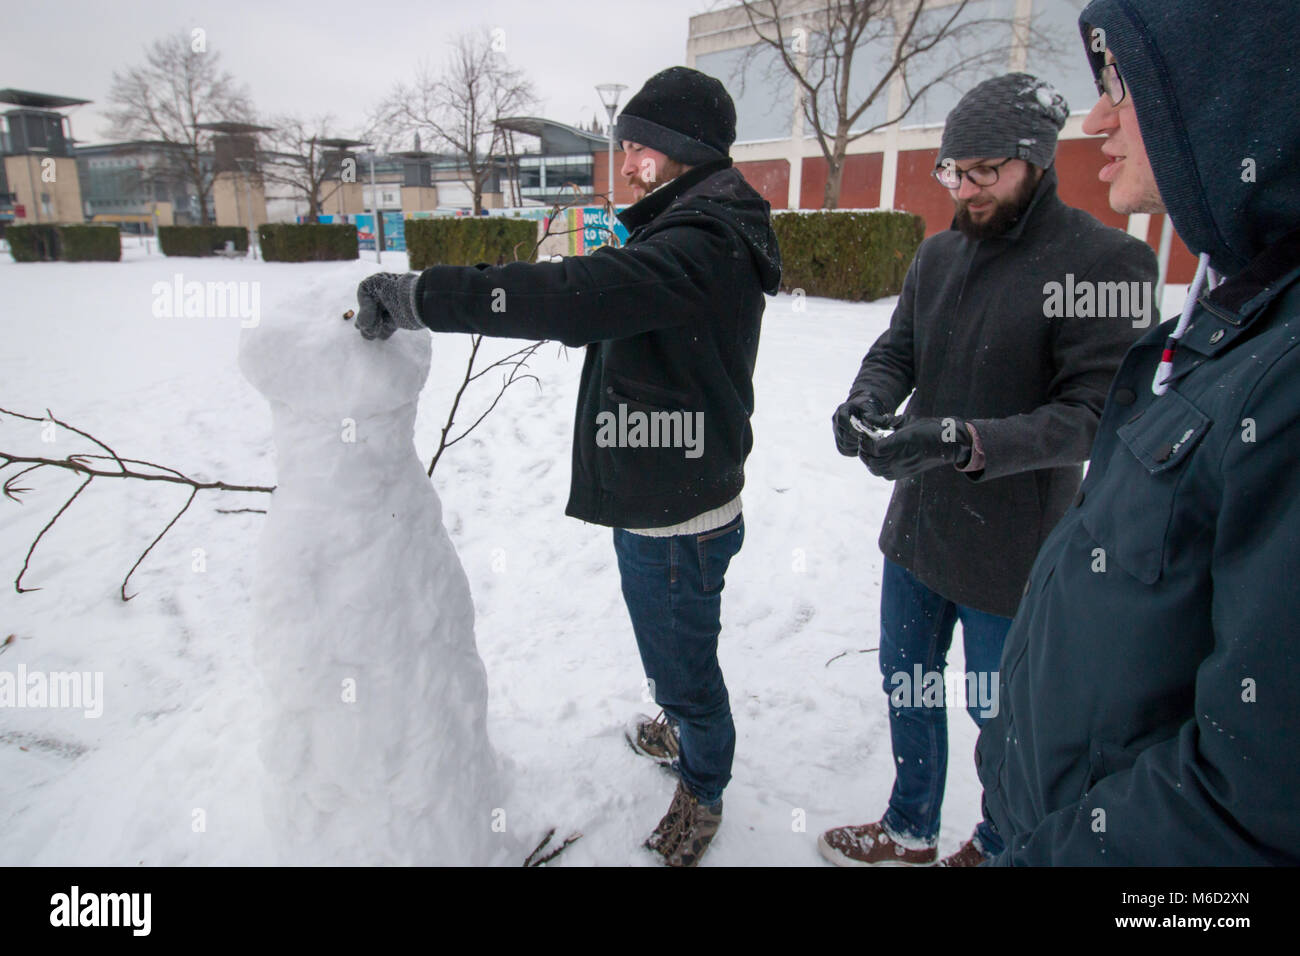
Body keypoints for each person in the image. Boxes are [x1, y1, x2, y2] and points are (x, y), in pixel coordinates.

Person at [351, 66, 781, 867]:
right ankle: (682, 721)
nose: (625, 165)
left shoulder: (703, 242)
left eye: (640, 150)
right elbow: (616, 299)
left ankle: (704, 783)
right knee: (671, 640)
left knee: (683, 658)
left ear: (682, 152)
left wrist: (423, 296)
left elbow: (576, 298)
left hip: (676, 512)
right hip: (665, 491)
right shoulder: (691, 229)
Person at [973, 0, 1300, 865]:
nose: (1099, 116)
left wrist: (970, 443)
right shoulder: (1227, 316)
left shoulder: (1278, 369)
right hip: (1043, 812)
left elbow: (1254, 814)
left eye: (1127, 81)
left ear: (1234, 89)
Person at [818, 73, 1158, 867]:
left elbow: (1095, 415)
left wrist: (962, 440)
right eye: (953, 171)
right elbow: (898, 348)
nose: (965, 188)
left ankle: (1005, 844)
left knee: (1001, 717)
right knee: (909, 687)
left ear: (1035, 161)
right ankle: (909, 829)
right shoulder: (937, 255)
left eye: (985, 171)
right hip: (917, 532)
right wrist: (866, 399)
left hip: (1016, 552)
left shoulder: (1107, 261)